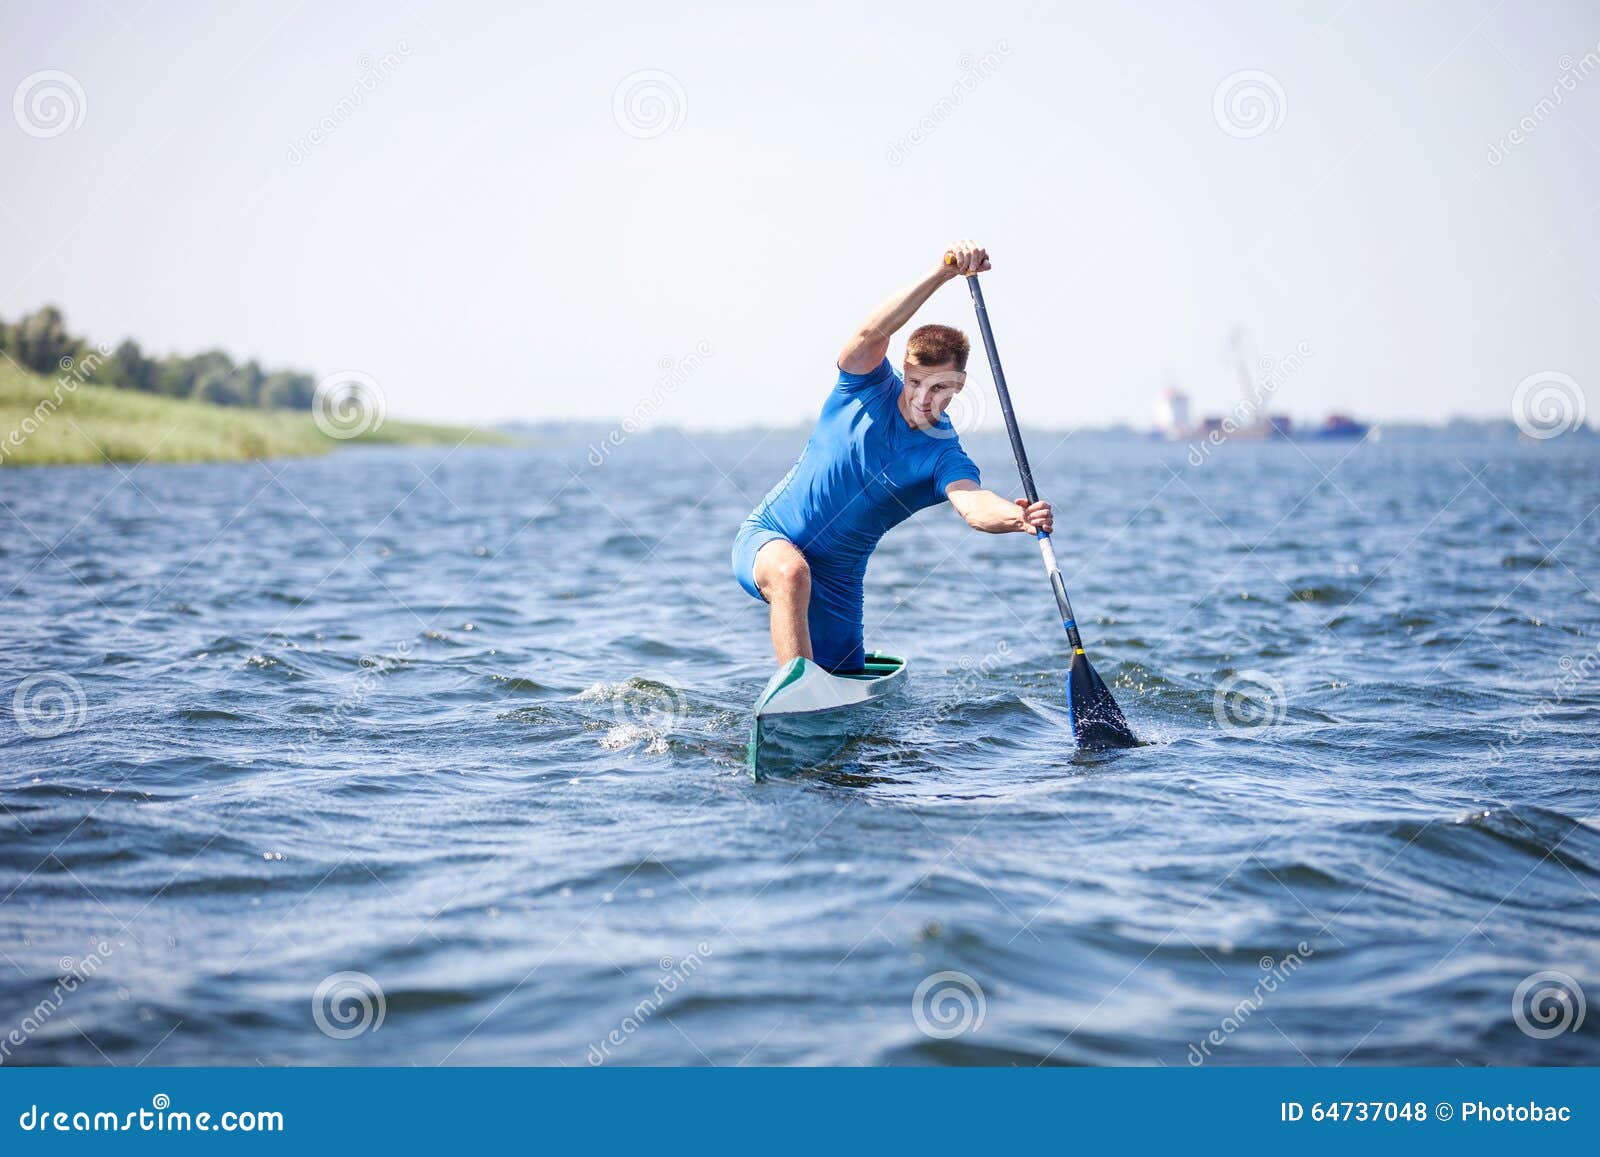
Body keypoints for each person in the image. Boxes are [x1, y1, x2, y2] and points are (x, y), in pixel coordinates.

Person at [731, 240, 1054, 673]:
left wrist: (1020, 518)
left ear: (959, 385)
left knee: (846, 684)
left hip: (839, 585)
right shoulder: (862, 383)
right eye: (916, 381)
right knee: (792, 574)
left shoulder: (942, 455)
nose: (924, 397)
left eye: (939, 388)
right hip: (769, 537)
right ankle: (796, 699)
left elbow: (974, 505)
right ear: (904, 366)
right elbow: (872, 332)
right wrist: (944, 273)